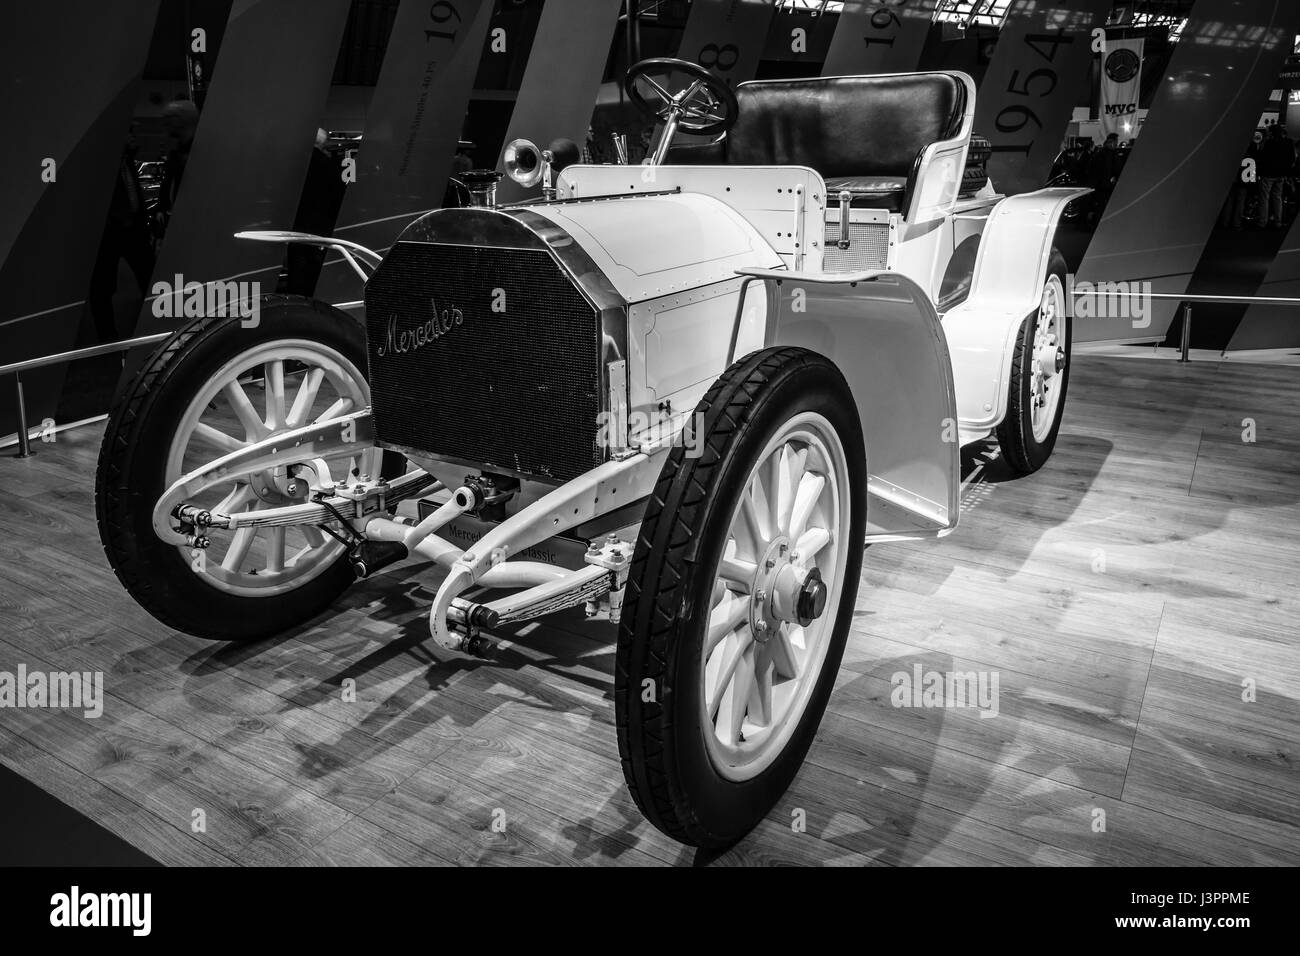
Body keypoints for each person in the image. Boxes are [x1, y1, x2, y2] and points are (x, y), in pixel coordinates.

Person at [1257, 123, 1293, 228]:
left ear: (1272, 133)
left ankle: (1262, 222)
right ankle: (1278, 221)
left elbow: (1263, 157)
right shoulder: (1288, 142)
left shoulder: (1269, 143)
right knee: (1277, 198)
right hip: (1281, 174)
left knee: (1264, 198)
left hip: (1268, 173)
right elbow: (1291, 159)